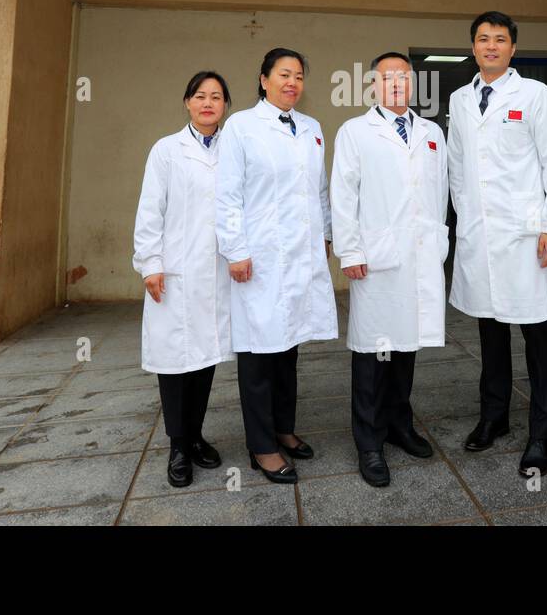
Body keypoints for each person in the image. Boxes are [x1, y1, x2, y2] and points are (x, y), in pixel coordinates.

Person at [448, 11, 547, 477]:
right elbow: (457, 164)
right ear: (474, 47)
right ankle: (493, 417)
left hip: (526, 234)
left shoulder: (535, 94)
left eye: (500, 39)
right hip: (481, 233)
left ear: (513, 48)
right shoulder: (459, 100)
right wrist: (465, 219)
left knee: (537, 334)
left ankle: (542, 434)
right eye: (483, 39)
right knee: (489, 332)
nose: (492, 46)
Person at [215, 47, 338, 484]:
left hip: (300, 256)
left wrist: (325, 235)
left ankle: (284, 429)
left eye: (300, 76)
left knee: (289, 349)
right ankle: (261, 446)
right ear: (263, 79)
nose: (293, 83)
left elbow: (319, 190)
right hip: (259, 259)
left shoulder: (311, 128)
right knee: (257, 355)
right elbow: (227, 194)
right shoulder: (241, 126)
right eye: (284, 74)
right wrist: (236, 250)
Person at [331, 51, 448, 487]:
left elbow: (441, 192)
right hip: (376, 259)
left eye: (403, 76)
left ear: (413, 83)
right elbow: (343, 194)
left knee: (406, 346)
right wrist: (350, 251)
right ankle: (369, 441)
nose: (396, 82)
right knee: (373, 353)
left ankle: (400, 424)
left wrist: (438, 238)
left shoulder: (432, 132)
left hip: (419, 255)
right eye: (387, 77)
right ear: (373, 85)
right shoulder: (355, 131)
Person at [132, 71, 234, 488]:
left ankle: (195, 436)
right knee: (175, 362)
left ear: (226, 105)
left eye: (216, 97)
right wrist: (150, 262)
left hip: (217, 271)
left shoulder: (234, 147)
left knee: (206, 357)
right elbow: (150, 208)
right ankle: (178, 445)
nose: (208, 103)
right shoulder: (166, 150)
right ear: (187, 102)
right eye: (200, 96)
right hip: (174, 270)